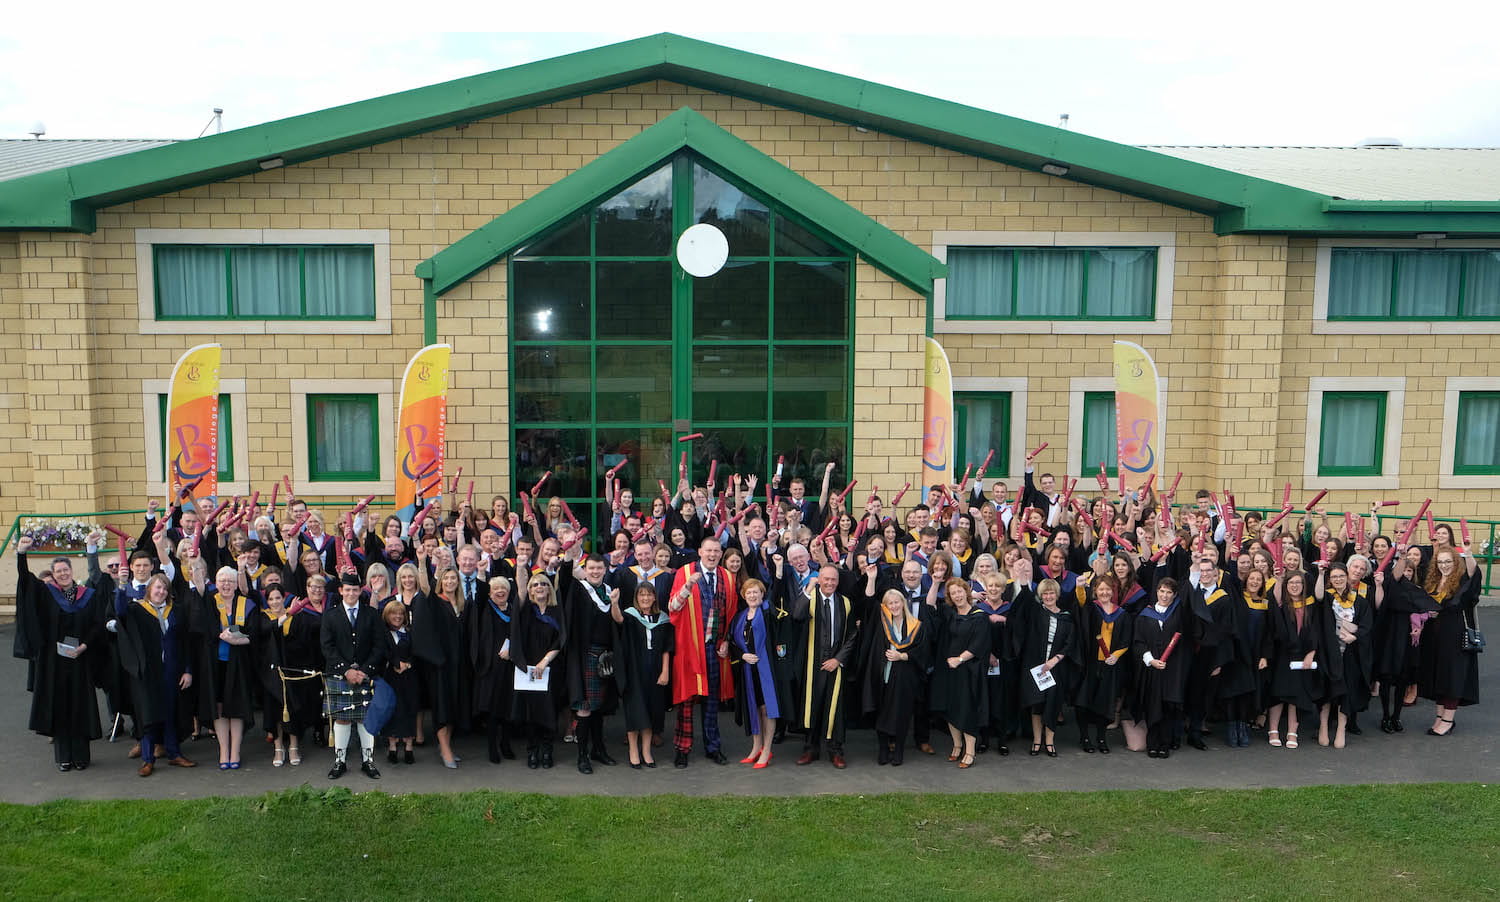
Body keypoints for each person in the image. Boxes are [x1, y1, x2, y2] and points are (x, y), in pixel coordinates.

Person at [113, 572, 197, 776]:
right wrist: (122, 584)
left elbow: (185, 642)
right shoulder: (136, 609)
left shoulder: (175, 611)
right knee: (148, 715)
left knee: (170, 713)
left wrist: (187, 670)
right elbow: (120, 611)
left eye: (165, 588)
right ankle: (148, 759)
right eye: (158, 587)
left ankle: (174, 753)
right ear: (149, 589)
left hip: (171, 671)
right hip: (147, 672)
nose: (161, 591)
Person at [667, 536, 735, 768]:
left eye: (716, 551)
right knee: (687, 701)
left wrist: (726, 640)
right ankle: (682, 749)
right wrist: (687, 588)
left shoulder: (727, 576)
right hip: (689, 648)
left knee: (712, 702)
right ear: (700, 551)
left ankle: (712, 747)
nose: (713, 555)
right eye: (708, 550)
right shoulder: (684, 573)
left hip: (714, 650)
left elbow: (731, 613)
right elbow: (672, 607)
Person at [319, 572, 388, 779]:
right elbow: (327, 647)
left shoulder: (371, 614)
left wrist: (365, 670)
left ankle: (368, 761)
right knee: (342, 719)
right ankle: (340, 762)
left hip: (366, 675)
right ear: (341, 591)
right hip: (340, 675)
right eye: (347, 590)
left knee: (365, 719)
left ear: (360, 591)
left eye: (355, 590)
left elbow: (379, 646)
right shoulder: (330, 615)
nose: (351, 593)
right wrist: (346, 670)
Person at [792, 564, 859, 768]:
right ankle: (810, 748)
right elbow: (796, 614)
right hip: (812, 661)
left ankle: (835, 750)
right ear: (819, 579)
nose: (830, 583)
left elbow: (852, 635)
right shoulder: (810, 600)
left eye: (833, 580)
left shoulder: (845, 603)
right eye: (826, 579)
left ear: (838, 582)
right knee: (812, 704)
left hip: (836, 663)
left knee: (835, 708)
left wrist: (838, 659)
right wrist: (809, 588)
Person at [559, 552, 621, 774]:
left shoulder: (608, 592)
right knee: (585, 707)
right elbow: (564, 581)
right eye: (591, 568)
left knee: (600, 709)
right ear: (585, 570)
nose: (595, 572)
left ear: (605, 570)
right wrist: (568, 559)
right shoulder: (579, 589)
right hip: (585, 655)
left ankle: (599, 750)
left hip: (606, 657)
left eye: (599, 568)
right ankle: (582, 755)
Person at [191, 565, 256, 770]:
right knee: (218, 707)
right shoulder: (210, 602)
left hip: (239, 664)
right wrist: (220, 634)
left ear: (237, 584)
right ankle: (223, 750)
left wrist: (238, 640)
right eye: (222, 581)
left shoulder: (248, 604)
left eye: (230, 581)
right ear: (216, 584)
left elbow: (254, 634)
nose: (226, 584)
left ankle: (235, 750)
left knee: (235, 708)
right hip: (215, 663)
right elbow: (202, 625)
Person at [1415, 543, 1482, 736]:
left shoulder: (1461, 581)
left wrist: (1468, 554)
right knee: (1439, 675)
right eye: (1441, 562)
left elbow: (1473, 575)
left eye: (1448, 562)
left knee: (1453, 675)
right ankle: (1439, 716)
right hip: (1434, 636)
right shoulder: (1433, 581)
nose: (1444, 565)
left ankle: (1448, 719)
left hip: (1455, 634)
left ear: (1456, 562)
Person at [861, 587, 932, 766]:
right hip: (883, 674)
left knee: (902, 713)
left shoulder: (916, 625)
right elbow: (869, 604)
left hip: (905, 677)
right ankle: (883, 749)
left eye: (896, 602)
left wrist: (903, 656)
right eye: (890, 603)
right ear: (885, 606)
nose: (894, 606)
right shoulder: (881, 625)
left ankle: (898, 749)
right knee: (882, 712)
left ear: (903, 603)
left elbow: (923, 652)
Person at [411, 565, 470, 769]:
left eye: (454, 578)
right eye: (447, 579)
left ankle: (448, 746)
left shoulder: (463, 605)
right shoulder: (435, 602)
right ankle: (444, 749)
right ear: (440, 582)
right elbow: (425, 587)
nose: (450, 581)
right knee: (443, 706)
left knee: (454, 706)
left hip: (459, 664)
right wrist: (421, 561)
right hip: (441, 664)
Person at [511, 564, 566, 769]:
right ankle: (532, 751)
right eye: (535, 585)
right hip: (529, 670)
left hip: (550, 668)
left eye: (544, 584)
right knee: (531, 713)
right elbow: (520, 589)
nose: (539, 587)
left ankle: (547, 750)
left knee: (549, 711)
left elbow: (561, 639)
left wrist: (545, 661)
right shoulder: (526, 610)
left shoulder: (556, 610)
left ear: (550, 588)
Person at [614, 584, 674, 768]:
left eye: (649, 595)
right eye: (642, 595)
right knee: (635, 711)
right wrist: (614, 603)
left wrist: (665, 671)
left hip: (655, 671)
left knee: (651, 710)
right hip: (634, 670)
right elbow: (618, 619)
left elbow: (667, 648)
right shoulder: (631, 616)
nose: (645, 598)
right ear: (636, 598)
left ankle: (646, 751)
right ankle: (633, 750)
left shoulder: (663, 619)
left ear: (655, 597)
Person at [1016, 577, 1077, 759]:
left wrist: (1054, 660)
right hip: (1035, 666)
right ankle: (1036, 740)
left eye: (1051, 593)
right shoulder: (1036, 613)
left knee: (1053, 704)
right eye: (1045, 593)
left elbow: (1070, 642)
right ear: (1040, 596)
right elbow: (1024, 605)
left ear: (1057, 595)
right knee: (1037, 704)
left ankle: (1049, 741)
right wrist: (1024, 581)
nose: (1048, 596)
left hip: (1055, 667)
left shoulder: (1066, 617)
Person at [727, 578, 783, 769]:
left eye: (756, 592)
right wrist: (743, 655)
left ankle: (767, 749)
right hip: (748, 670)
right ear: (744, 595)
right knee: (754, 708)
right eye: (749, 592)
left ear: (762, 594)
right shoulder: (740, 617)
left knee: (767, 709)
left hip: (766, 668)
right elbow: (733, 643)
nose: (752, 595)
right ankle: (756, 746)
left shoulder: (768, 613)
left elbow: (777, 636)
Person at [1316, 562, 1372, 748]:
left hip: (1350, 654)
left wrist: (1354, 636)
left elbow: (1366, 626)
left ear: (1347, 577)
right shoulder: (1327, 599)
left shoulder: (1360, 601)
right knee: (1327, 691)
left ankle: (1341, 729)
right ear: (1329, 580)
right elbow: (1317, 596)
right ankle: (1323, 727)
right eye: (1334, 577)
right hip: (1329, 652)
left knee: (1345, 693)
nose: (1338, 580)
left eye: (1341, 576)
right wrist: (1320, 573)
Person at [1074, 575, 1131, 754]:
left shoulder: (1121, 613)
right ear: (1095, 591)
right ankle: (1084, 737)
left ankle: (1101, 737)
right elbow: (1081, 601)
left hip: (1110, 665)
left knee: (1105, 703)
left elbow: (1126, 639)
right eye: (1101, 589)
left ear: (1113, 591)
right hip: (1090, 664)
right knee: (1083, 701)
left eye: (1108, 589)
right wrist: (1079, 588)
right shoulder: (1092, 609)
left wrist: (1116, 655)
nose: (1105, 592)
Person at [1132, 578, 1188, 758]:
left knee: (1168, 705)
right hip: (1152, 668)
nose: (1164, 595)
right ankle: (1152, 743)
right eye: (1162, 591)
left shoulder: (1178, 615)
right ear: (1156, 592)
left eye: (1169, 592)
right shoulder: (1145, 615)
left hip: (1172, 668)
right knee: (1152, 705)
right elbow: (1138, 642)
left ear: (1174, 595)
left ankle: (1165, 743)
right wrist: (1150, 660)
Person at [469, 575, 516, 764]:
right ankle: (492, 748)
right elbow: (479, 594)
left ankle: (505, 744)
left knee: (508, 707)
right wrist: (481, 574)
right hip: (491, 667)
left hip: (510, 665)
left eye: (503, 588)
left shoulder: (513, 609)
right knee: (493, 709)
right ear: (490, 592)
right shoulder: (484, 608)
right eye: (495, 588)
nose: (500, 591)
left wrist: (512, 650)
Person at [380, 599, 419, 764]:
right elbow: (383, 651)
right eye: (393, 613)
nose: (397, 616)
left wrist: (407, 664)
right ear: (387, 616)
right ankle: (393, 747)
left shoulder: (410, 632)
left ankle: (409, 747)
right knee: (392, 710)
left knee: (409, 709)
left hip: (409, 677)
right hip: (390, 677)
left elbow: (417, 651)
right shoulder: (383, 633)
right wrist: (396, 664)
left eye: (400, 613)